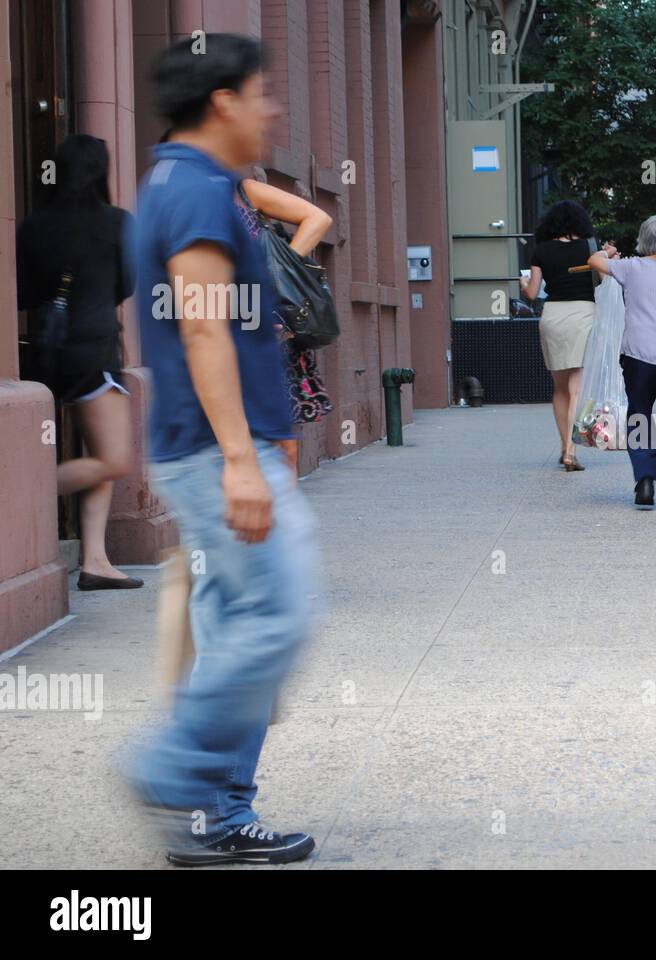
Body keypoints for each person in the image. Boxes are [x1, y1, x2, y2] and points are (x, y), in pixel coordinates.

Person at [128, 33, 319, 866]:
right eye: (262, 92)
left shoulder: (188, 182)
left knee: (240, 628)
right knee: (280, 616)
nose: (272, 108)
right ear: (222, 103)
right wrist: (243, 459)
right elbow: (202, 324)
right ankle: (171, 772)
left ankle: (214, 818)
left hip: (210, 446)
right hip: (214, 452)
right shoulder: (200, 192)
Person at [16, 134, 141, 591]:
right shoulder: (116, 222)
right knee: (113, 458)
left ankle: (95, 561)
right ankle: (24, 487)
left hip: (46, 350)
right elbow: (126, 284)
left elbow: (23, 294)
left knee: (99, 454)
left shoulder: (32, 225)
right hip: (94, 349)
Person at [587, 215, 656, 513]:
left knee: (640, 417)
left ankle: (646, 479)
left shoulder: (632, 268)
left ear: (643, 241)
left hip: (639, 356)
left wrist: (608, 253)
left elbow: (594, 261)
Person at [236, 173, 335, 474]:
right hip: (217, 332)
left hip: (268, 334)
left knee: (282, 445)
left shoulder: (243, 191)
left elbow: (317, 219)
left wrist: (280, 273)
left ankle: (279, 517)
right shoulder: (185, 198)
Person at [522, 200, 608, 471]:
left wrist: (523, 283)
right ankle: (571, 450)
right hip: (583, 314)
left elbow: (533, 294)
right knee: (576, 387)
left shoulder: (541, 251)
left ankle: (564, 447)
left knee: (559, 388)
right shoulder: (589, 246)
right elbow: (605, 282)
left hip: (553, 317)